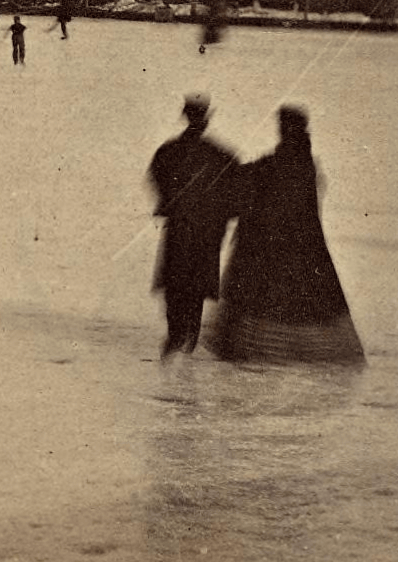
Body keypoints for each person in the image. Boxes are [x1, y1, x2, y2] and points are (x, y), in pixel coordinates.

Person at [204, 106, 366, 366]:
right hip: (302, 249)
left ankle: (257, 354)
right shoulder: (303, 161)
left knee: (263, 301)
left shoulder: (289, 163)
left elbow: (257, 182)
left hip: (271, 249)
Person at [148, 94, 239, 359]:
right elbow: (236, 189)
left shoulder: (168, 151)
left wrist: (168, 205)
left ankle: (176, 335)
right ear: (206, 120)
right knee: (196, 289)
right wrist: (222, 217)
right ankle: (187, 340)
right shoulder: (221, 155)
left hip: (179, 228)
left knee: (175, 285)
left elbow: (157, 179)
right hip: (207, 232)